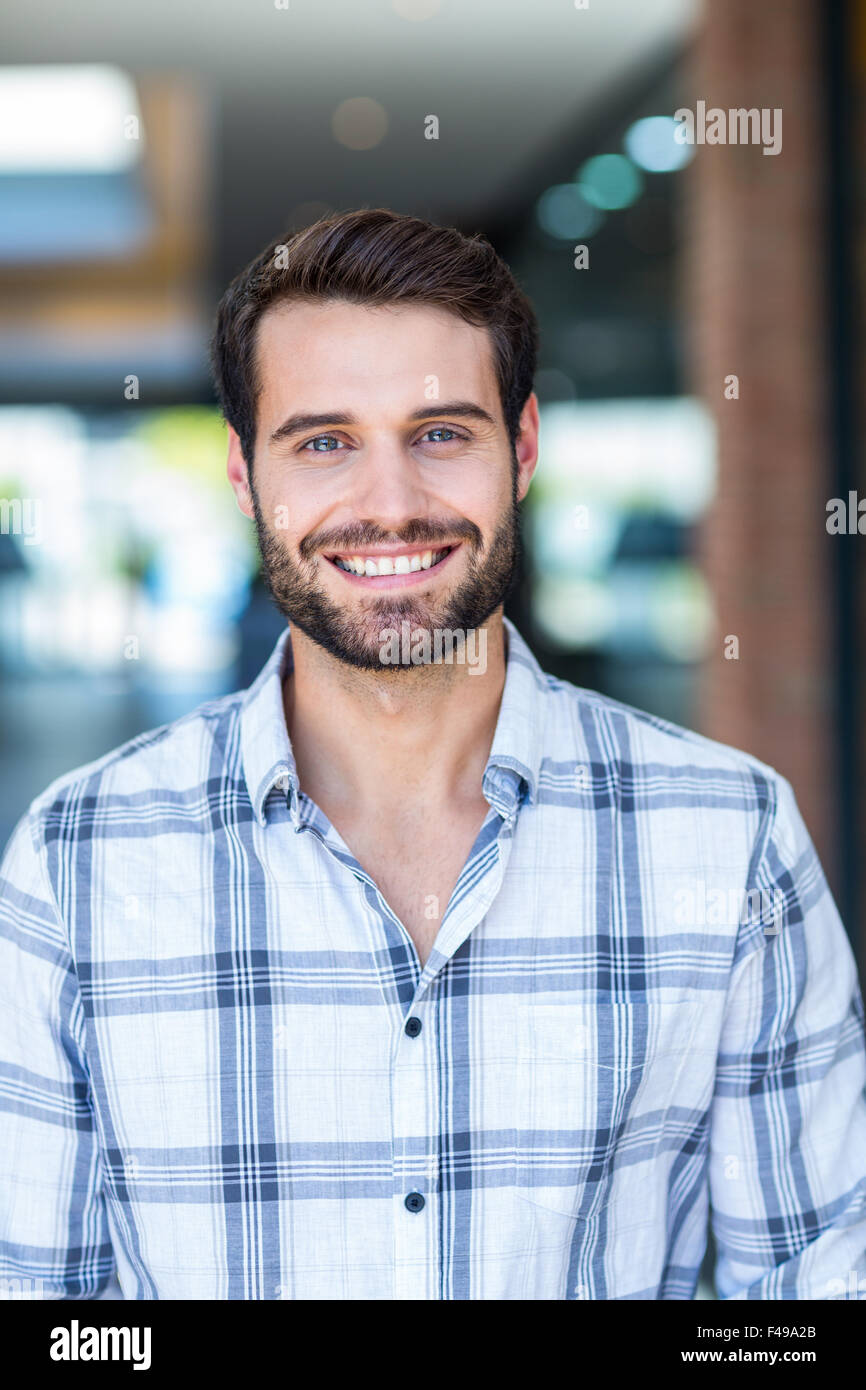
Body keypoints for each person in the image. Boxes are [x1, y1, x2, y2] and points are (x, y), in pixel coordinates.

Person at [1, 208, 864, 1300]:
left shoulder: (729, 838)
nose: (391, 505)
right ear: (240, 474)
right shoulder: (77, 862)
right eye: (324, 442)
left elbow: (807, 1299)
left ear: (525, 447)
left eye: (441, 433)